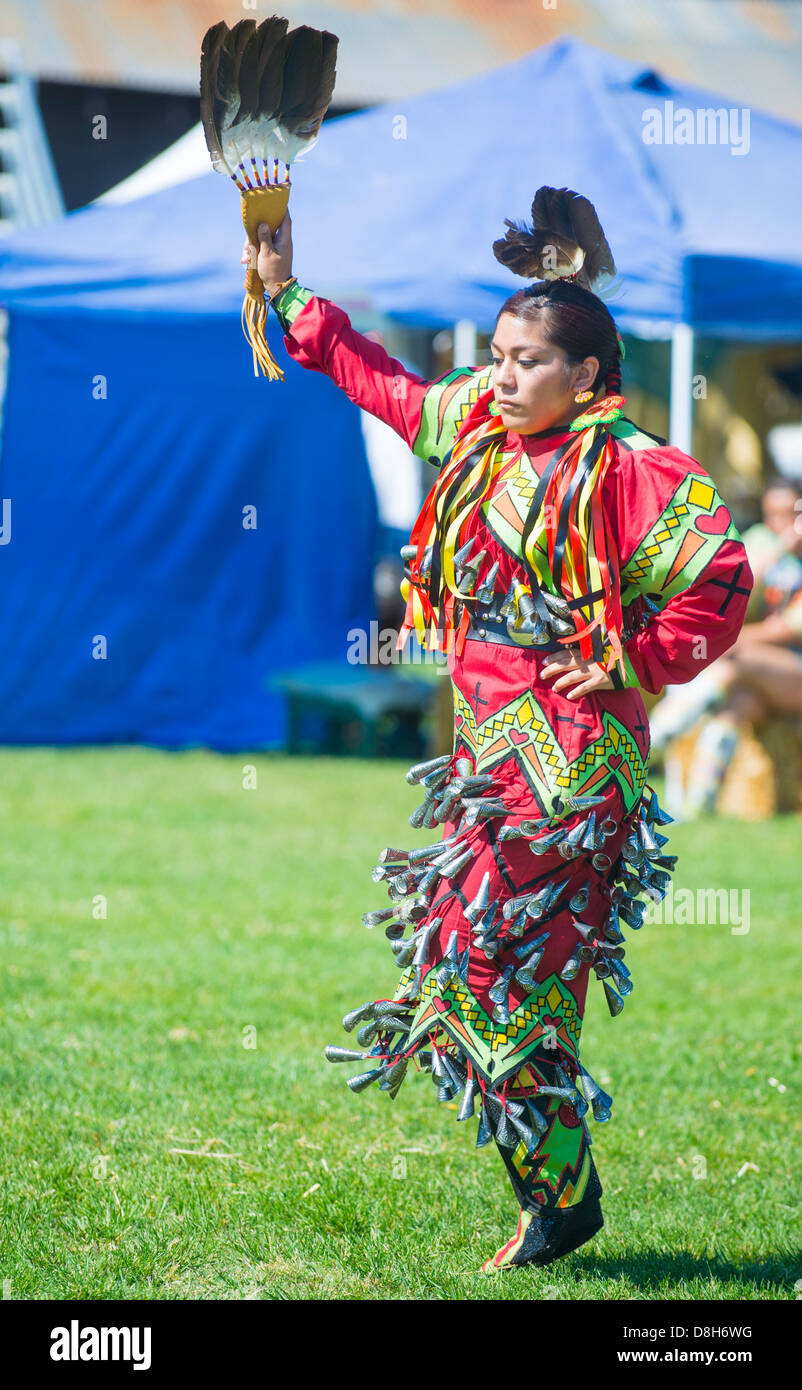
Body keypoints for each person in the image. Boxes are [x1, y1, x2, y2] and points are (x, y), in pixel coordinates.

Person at [241, 188, 753, 1271]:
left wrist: (628, 656)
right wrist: (289, 293)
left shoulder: (631, 468)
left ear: (589, 378)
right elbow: (383, 387)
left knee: (489, 976)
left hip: (573, 767)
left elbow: (717, 582)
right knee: (487, 982)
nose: (503, 373)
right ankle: (558, 1196)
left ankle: (561, 1195)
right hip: (485, 761)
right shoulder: (477, 428)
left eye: (528, 360)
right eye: (500, 354)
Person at [650, 479, 802, 814]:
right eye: (772, 514)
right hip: (765, 676)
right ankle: (700, 803)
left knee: (737, 659)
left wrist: (732, 641)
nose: (781, 523)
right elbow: (737, 590)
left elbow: (793, 628)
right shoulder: (764, 541)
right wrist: (780, 548)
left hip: (792, 669)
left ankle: (656, 736)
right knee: (738, 705)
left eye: (790, 514)